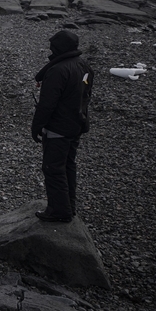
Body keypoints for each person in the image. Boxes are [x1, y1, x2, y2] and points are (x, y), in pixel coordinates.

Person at [31, 30, 94, 223]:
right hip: (76, 123)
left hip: (58, 127)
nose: (50, 50)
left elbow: (47, 104)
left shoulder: (58, 70)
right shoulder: (84, 66)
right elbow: (85, 95)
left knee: (53, 168)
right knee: (68, 165)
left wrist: (37, 126)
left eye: (53, 47)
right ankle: (68, 205)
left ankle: (59, 211)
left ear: (59, 48)